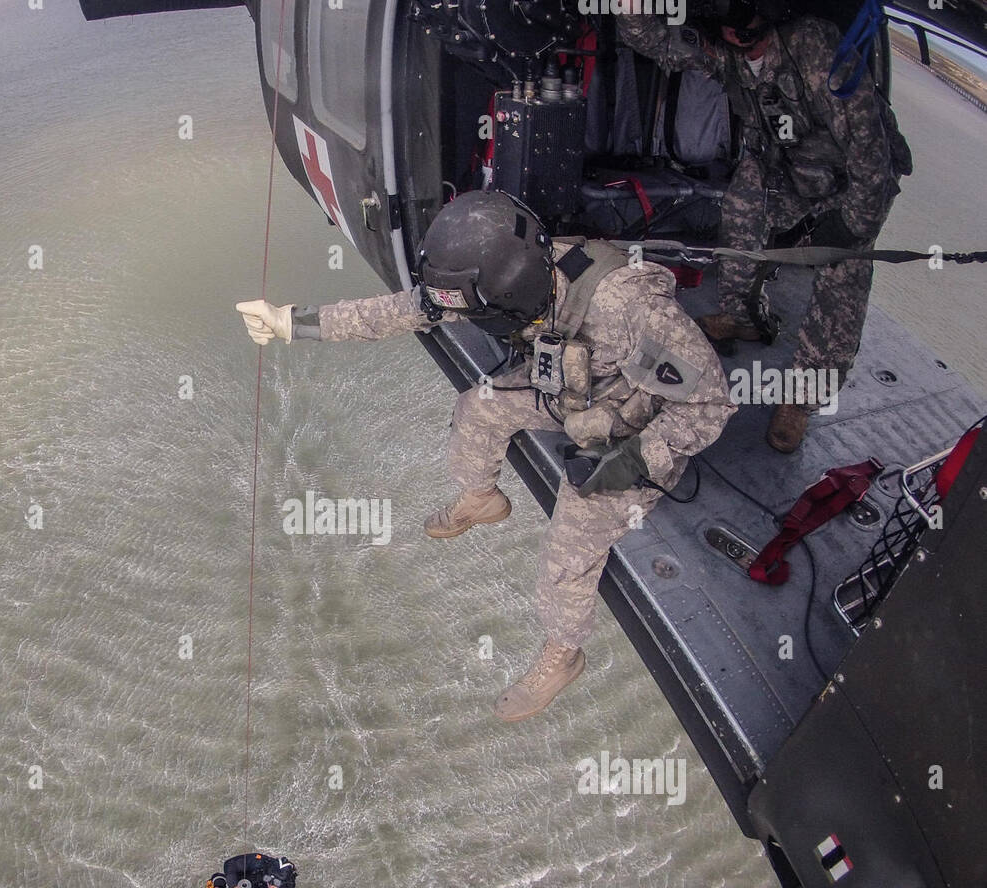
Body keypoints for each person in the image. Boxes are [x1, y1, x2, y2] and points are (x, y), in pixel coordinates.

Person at [237, 190, 734, 722]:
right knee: (478, 408)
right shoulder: (491, 283)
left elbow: (710, 406)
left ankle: (563, 653)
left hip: (633, 421)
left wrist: (631, 459)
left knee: (570, 544)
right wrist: (293, 321)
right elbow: (400, 312)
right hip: (571, 382)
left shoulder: (630, 311)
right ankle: (481, 498)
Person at [617, 2, 911, 453]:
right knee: (741, 210)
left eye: (748, 24)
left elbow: (874, 160)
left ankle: (803, 399)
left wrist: (850, 228)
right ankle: (745, 319)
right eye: (730, 28)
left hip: (850, 180)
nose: (739, 36)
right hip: (785, 166)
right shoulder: (728, 51)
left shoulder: (813, 48)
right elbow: (657, 43)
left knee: (841, 277)